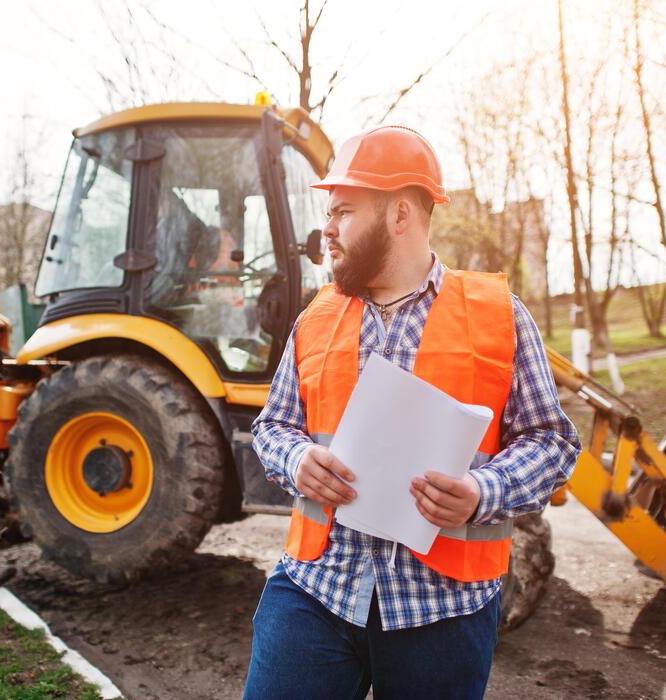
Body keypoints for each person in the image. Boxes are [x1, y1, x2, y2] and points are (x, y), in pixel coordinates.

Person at [246, 126, 581, 699]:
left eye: (343, 211)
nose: (327, 229)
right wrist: (297, 459)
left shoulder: (499, 316)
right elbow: (272, 427)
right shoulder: (315, 318)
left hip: (443, 610)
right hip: (316, 590)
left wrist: (482, 492)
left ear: (400, 214)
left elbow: (552, 442)